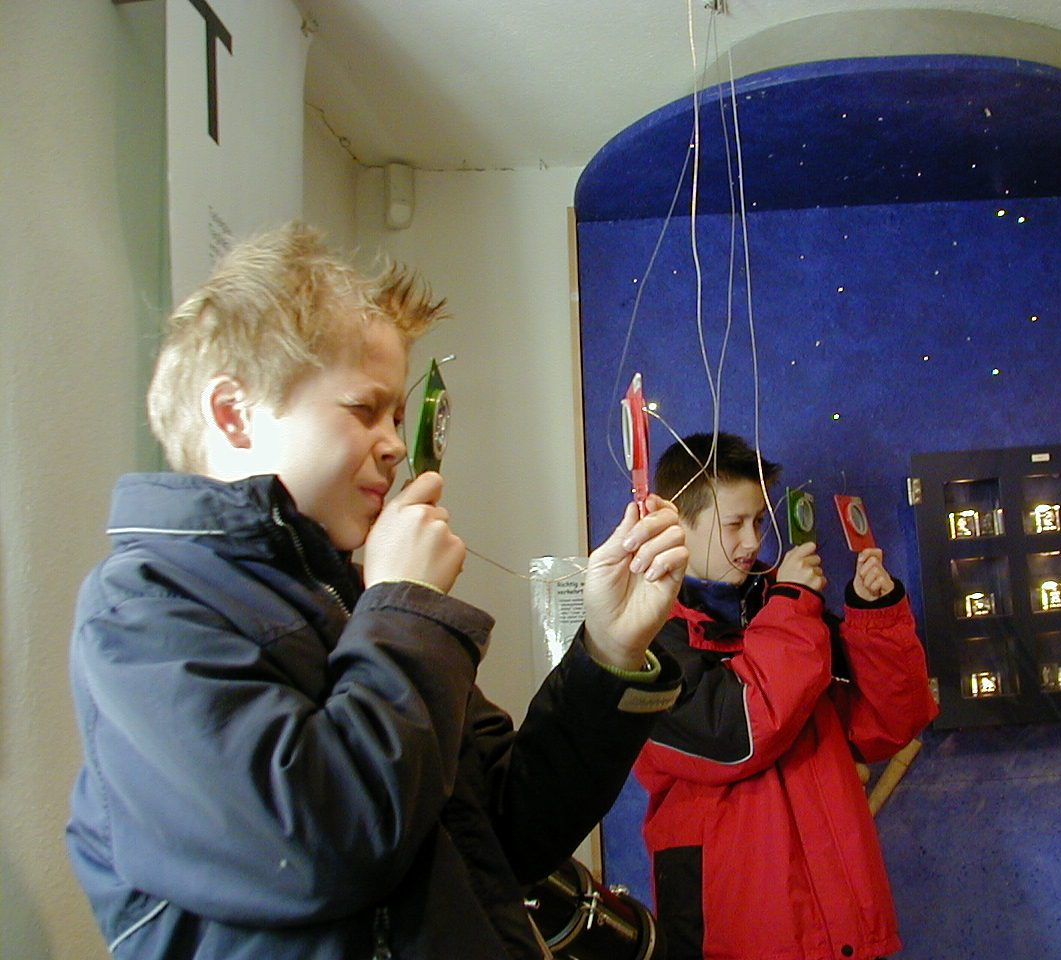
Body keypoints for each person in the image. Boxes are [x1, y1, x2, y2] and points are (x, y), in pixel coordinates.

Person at [65, 223, 689, 960]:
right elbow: (322, 848)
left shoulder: (356, 603)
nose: (393, 443)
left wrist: (609, 653)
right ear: (234, 414)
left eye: (397, 415)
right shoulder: (143, 610)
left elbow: (508, 834)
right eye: (364, 410)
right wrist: (406, 606)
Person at [635, 432, 938, 960]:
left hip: (836, 922)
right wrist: (794, 601)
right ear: (675, 524)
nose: (752, 542)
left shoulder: (782, 609)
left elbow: (889, 725)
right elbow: (739, 736)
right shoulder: (646, 637)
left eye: (759, 521)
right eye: (734, 524)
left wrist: (875, 616)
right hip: (734, 929)